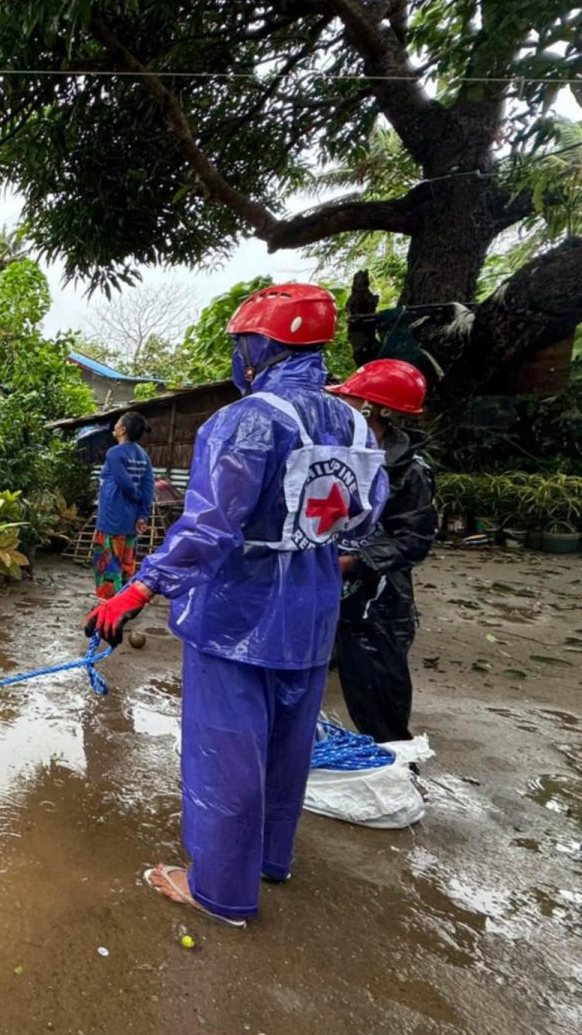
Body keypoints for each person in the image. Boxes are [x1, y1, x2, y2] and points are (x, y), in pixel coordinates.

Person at [85, 284, 387, 927]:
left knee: (227, 753)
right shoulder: (355, 421)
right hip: (311, 608)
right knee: (287, 744)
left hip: (237, 610)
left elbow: (210, 526)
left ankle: (220, 889)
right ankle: (272, 858)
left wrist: (140, 588)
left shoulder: (248, 419)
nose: (236, 355)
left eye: (239, 343)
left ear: (259, 346)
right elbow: (364, 519)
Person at [328, 360, 436, 743]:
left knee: (380, 718)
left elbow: (413, 540)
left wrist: (351, 563)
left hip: (379, 608)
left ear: (374, 411)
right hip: (333, 597)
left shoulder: (410, 471)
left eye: (349, 400)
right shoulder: (338, 455)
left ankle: (398, 774)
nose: (340, 407)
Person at [92, 411, 155, 599]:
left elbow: (124, 482)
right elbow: (148, 486)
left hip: (112, 519)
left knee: (108, 563)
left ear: (123, 430)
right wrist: (143, 515)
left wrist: (136, 495)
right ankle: (125, 601)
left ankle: (108, 603)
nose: (115, 426)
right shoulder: (143, 455)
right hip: (131, 520)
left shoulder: (114, 453)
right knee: (127, 563)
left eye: (117, 423)